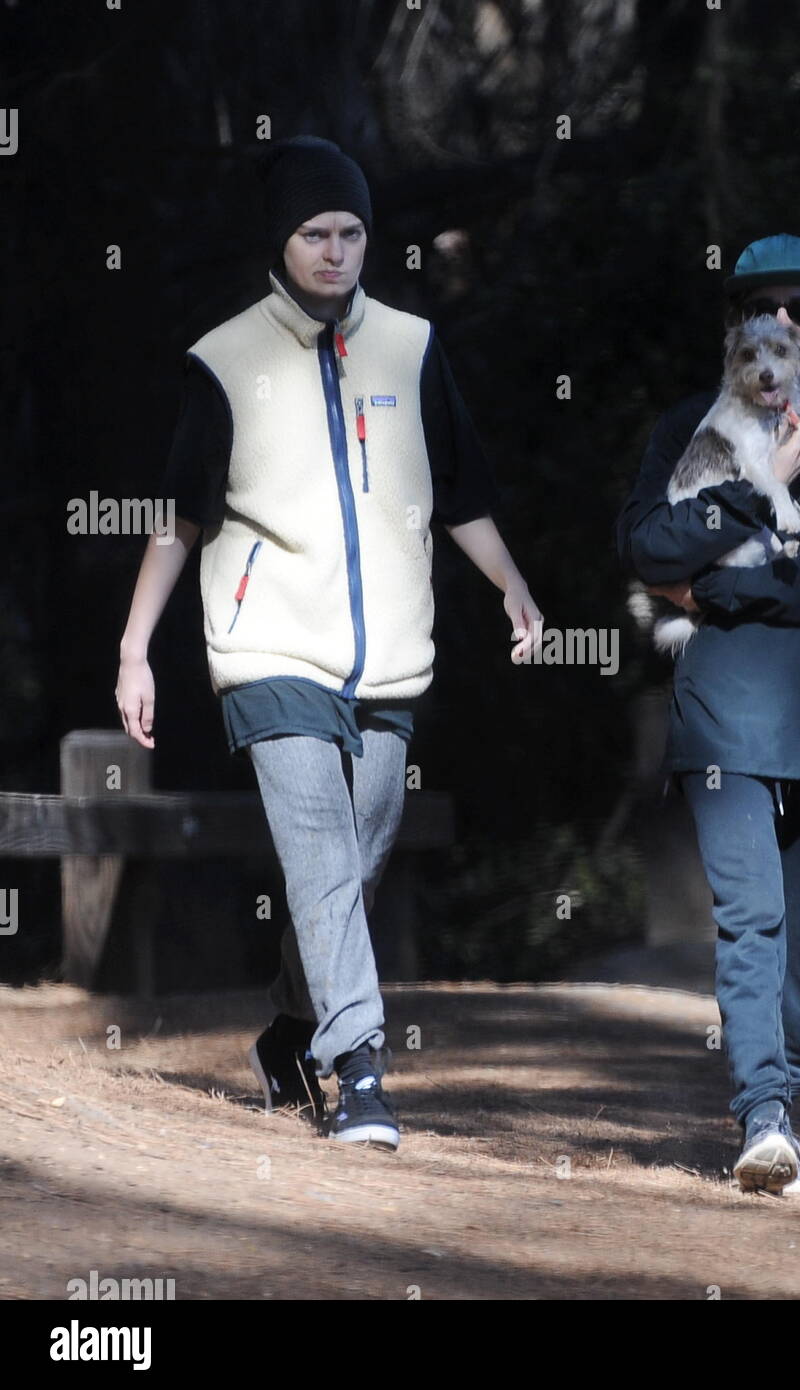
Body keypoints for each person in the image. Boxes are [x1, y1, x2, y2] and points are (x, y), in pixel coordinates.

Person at [115, 135, 543, 1149]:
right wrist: (135, 649)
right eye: (315, 233)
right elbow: (178, 520)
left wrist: (513, 586)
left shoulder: (412, 346)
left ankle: (291, 1030)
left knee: (357, 854)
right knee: (314, 852)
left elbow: (463, 495)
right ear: (281, 241)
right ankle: (357, 1072)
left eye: (352, 232)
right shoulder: (223, 361)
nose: (335, 251)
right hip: (266, 650)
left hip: (390, 656)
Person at [616, 234, 800, 1195]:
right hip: (722, 713)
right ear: (739, 330)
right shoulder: (686, 427)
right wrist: (751, 497)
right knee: (750, 915)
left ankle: (784, 1082)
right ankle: (764, 1118)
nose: (789, 329)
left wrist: (706, 596)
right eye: (767, 312)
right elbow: (645, 546)